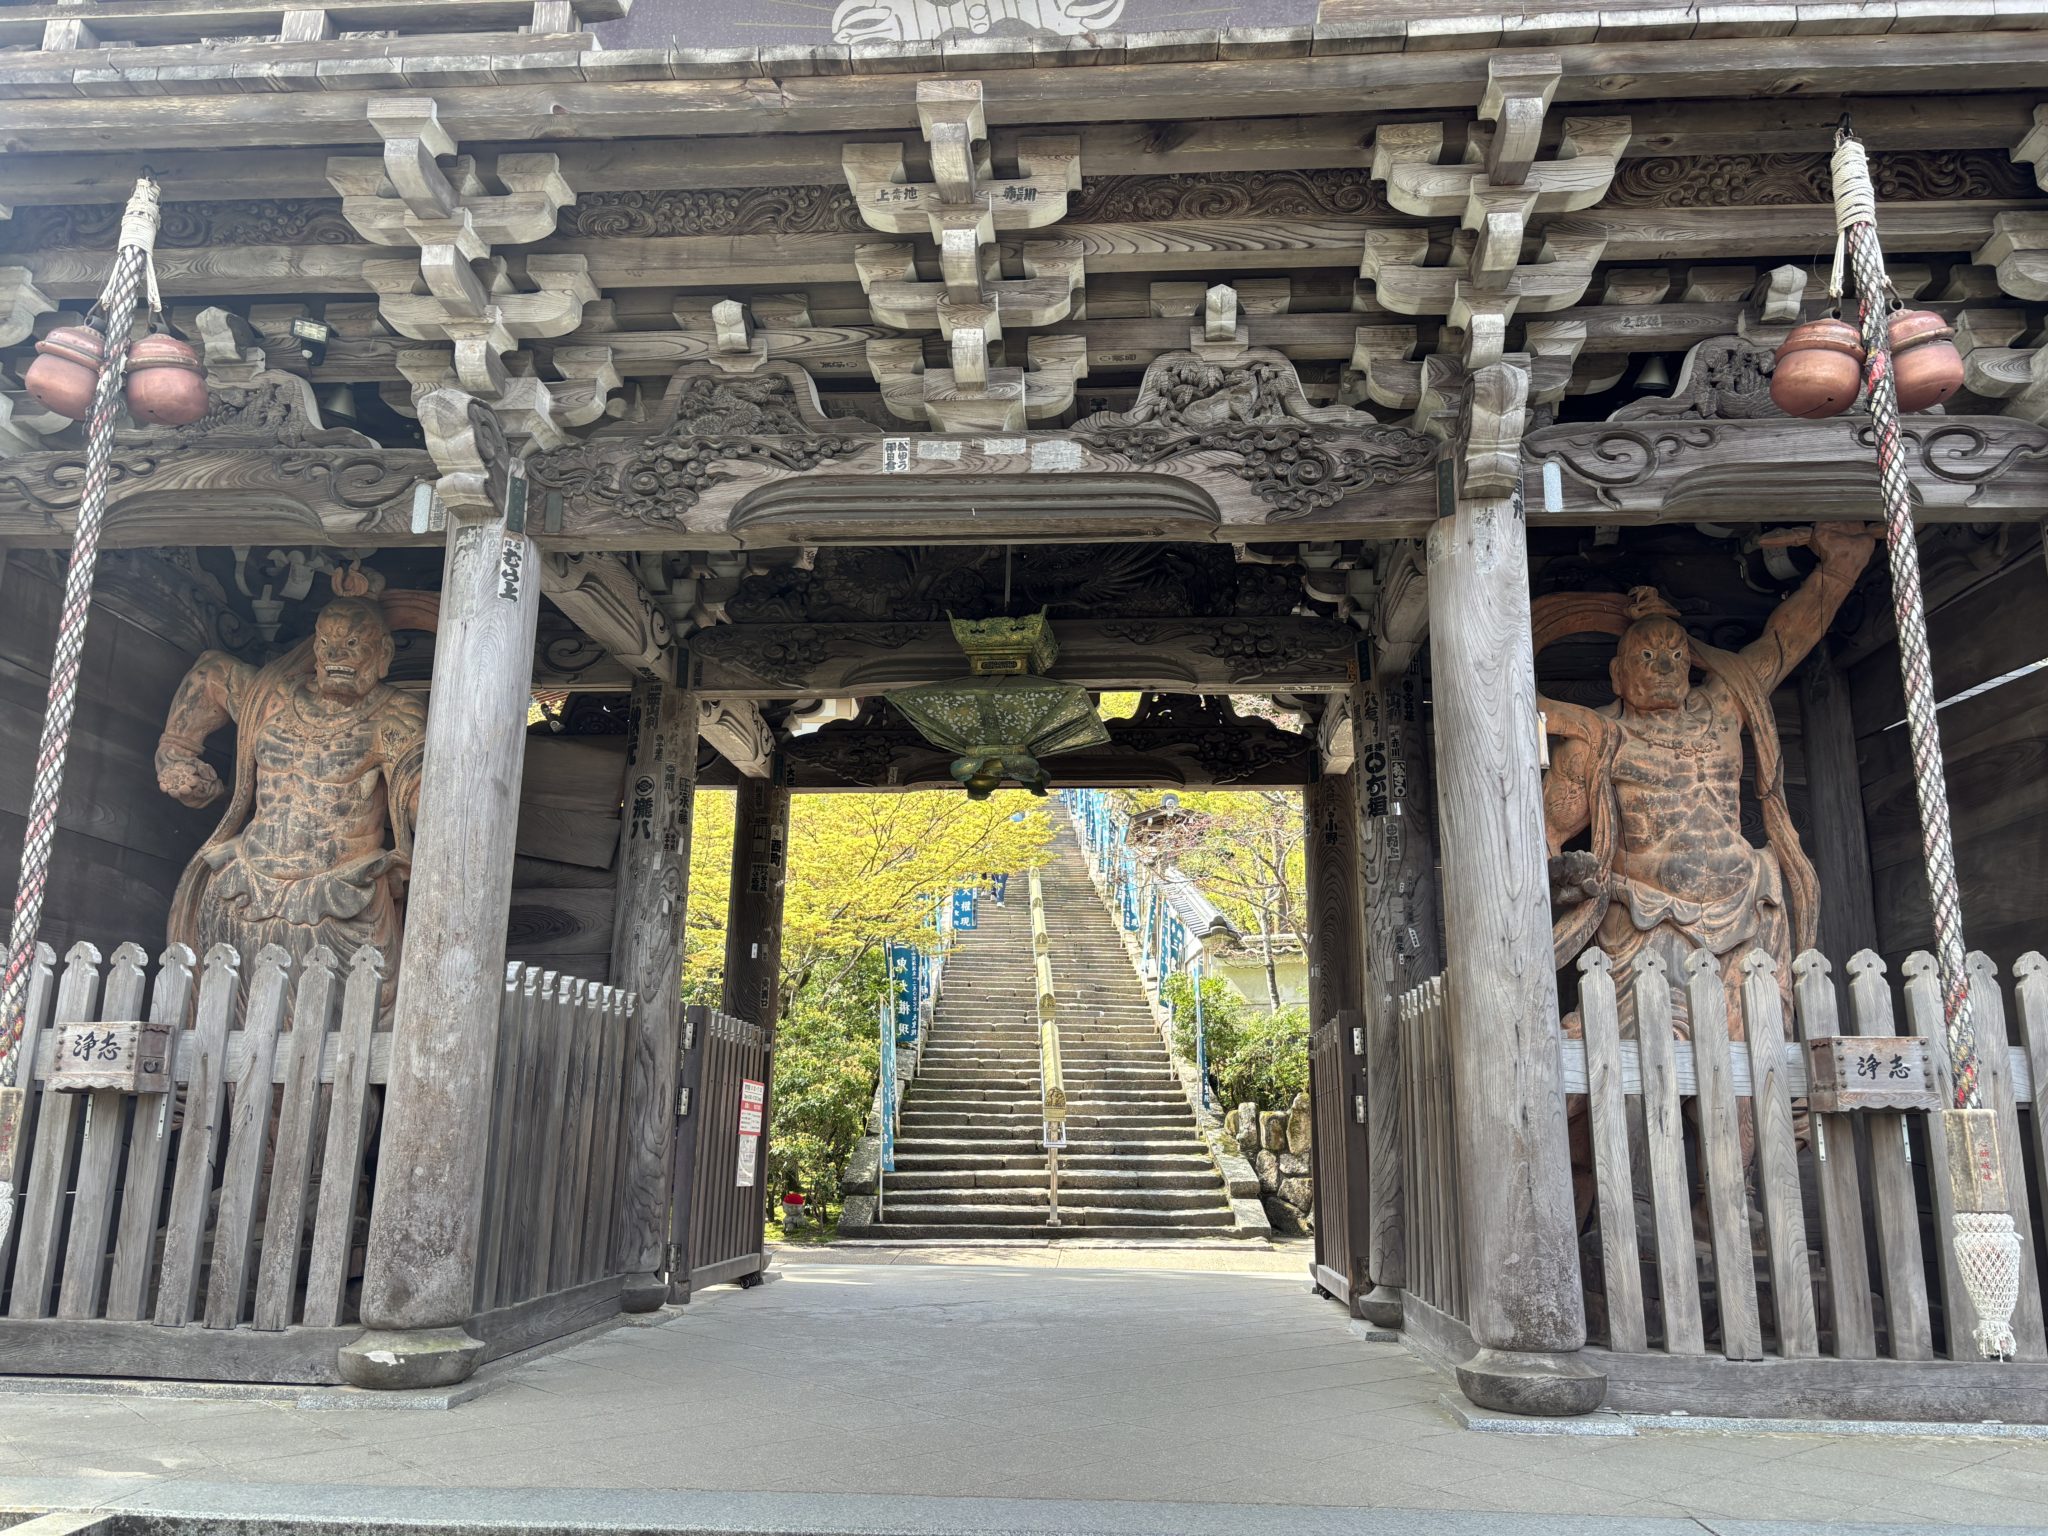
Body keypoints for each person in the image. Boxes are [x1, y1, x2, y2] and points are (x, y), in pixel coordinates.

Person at [156, 568, 426, 997]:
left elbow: (422, 801)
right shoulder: (273, 698)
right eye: (327, 643)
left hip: (340, 897)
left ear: (383, 654)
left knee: (348, 1026)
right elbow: (212, 672)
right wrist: (176, 756)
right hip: (244, 886)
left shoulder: (394, 716)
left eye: (354, 644)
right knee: (219, 1021)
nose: (337, 653)